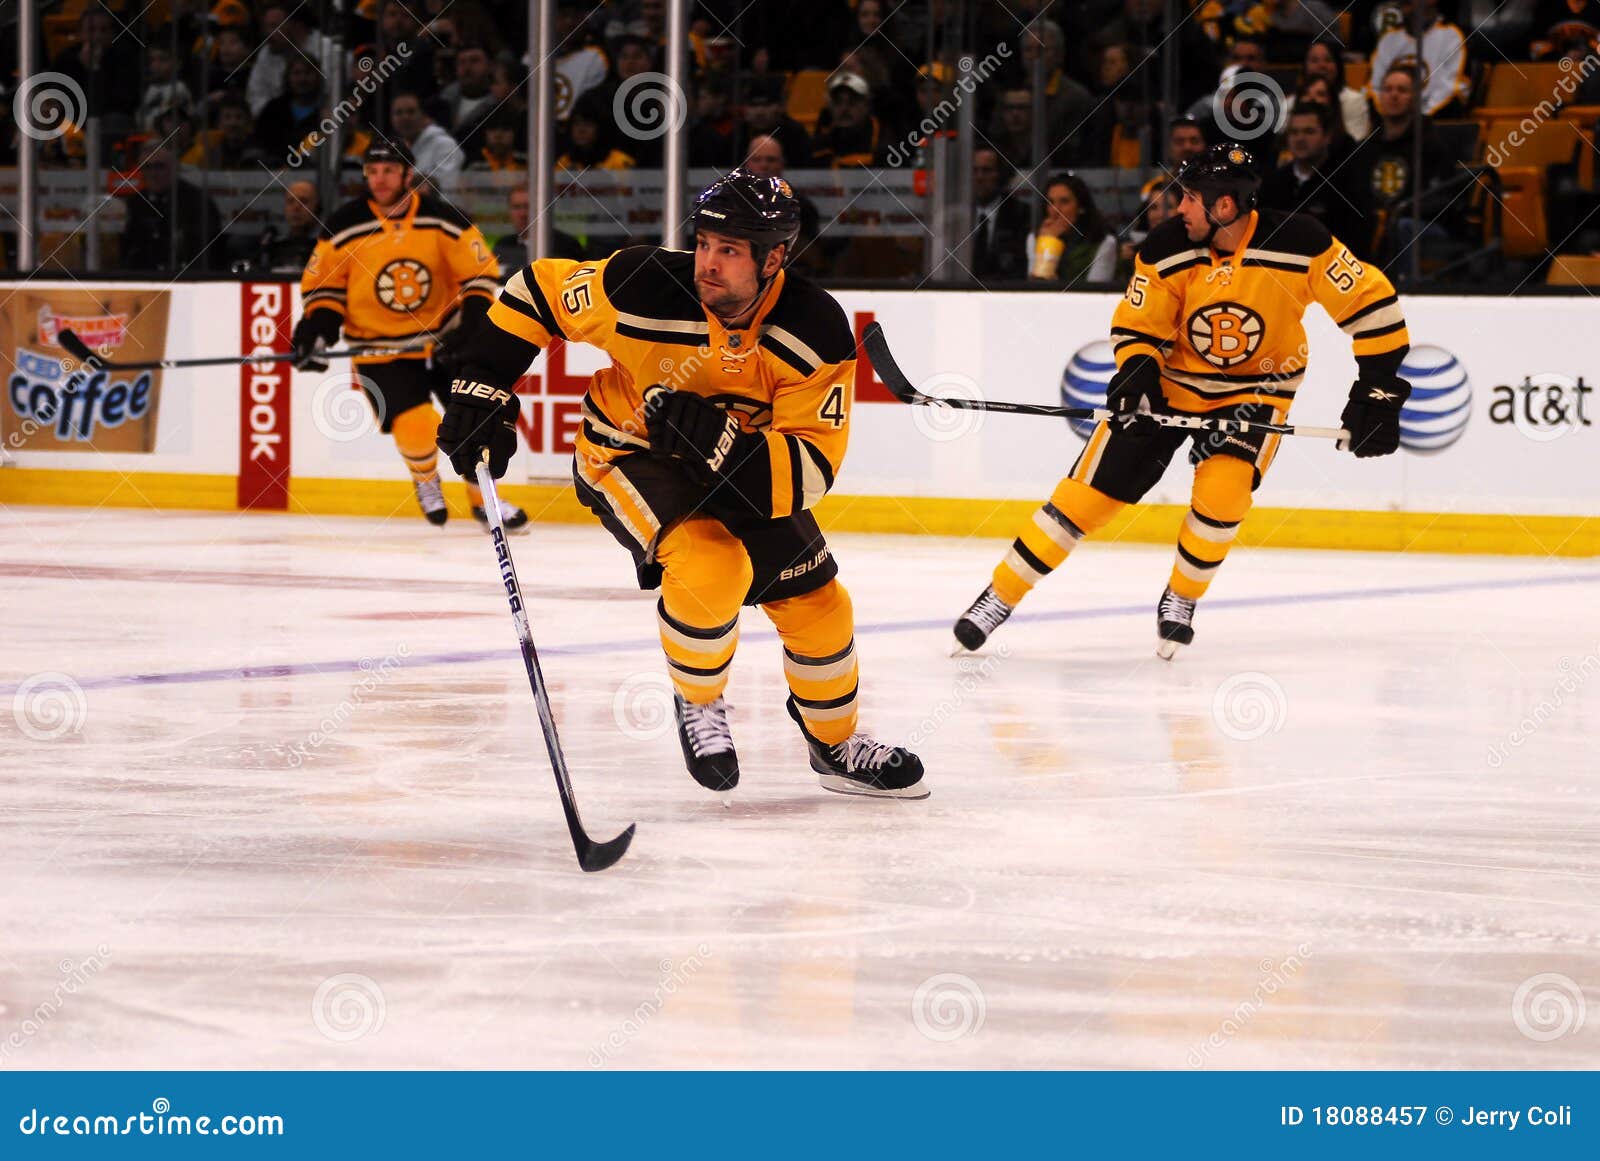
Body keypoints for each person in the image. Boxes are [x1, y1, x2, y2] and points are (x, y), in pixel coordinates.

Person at [435, 169, 926, 799]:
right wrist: (483, 384)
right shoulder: (641, 284)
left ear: (774, 257)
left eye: (729, 250)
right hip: (625, 453)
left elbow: (808, 472)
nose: (708, 264)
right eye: (703, 244)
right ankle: (699, 702)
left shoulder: (815, 328)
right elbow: (536, 291)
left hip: (746, 473)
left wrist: (721, 444)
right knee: (711, 567)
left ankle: (834, 744)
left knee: (822, 608)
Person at [952, 145, 1412, 658]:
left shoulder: (1301, 241)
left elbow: (1370, 302)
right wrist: (1138, 372)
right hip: (1172, 385)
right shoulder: (1167, 246)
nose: (1180, 208)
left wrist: (1378, 386)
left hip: (1256, 391)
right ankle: (998, 597)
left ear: (1226, 206)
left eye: (1191, 198)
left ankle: (1182, 598)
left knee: (1224, 495)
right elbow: (1138, 325)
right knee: (1087, 497)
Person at [290, 141, 517, 530]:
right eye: (372, 171)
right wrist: (318, 329)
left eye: (389, 171)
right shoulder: (344, 224)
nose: (380, 179)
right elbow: (325, 286)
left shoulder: (442, 218)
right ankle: (426, 480)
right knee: (416, 423)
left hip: (444, 341)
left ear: (407, 175)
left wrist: (472, 324)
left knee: (474, 416)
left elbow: (479, 274)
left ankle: (486, 501)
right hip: (379, 347)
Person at [1258, 101, 1364, 254]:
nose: (1300, 138)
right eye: (1294, 132)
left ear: (1327, 137)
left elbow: (1356, 239)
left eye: (1309, 131)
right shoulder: (1273, 181)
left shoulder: (1346, 180)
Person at [119, 143, 225, 272]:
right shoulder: (136, 203)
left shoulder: (198, 202)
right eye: (147, 167)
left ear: (174, 168)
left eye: (159, 167)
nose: (153, 173)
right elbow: (128, 250)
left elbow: (208, 252)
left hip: (188, 277)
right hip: (144, 278)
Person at [1368, 0, 1470, 117]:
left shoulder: (1451, 36)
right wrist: (1391, 117)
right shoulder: (1388, 39)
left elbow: (1449, 90)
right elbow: (1375, 87)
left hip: (1436, 122)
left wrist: (1416, 121)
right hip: (1391, 122)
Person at [1026, 173, 1120, 285]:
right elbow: (1036, 287)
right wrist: (1048, 243)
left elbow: (1094, 293)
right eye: (1050, 202)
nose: (1055, 210)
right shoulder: (1035, 238)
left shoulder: (1104, 242)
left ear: (1081, 208)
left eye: (1064, 202)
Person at [970, 147, 1030, 284]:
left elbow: (1020, 268)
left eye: (987, 171)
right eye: (974, 171)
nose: (979, 177)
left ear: (1002, 174)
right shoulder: (955, 214)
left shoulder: (1021, 214)